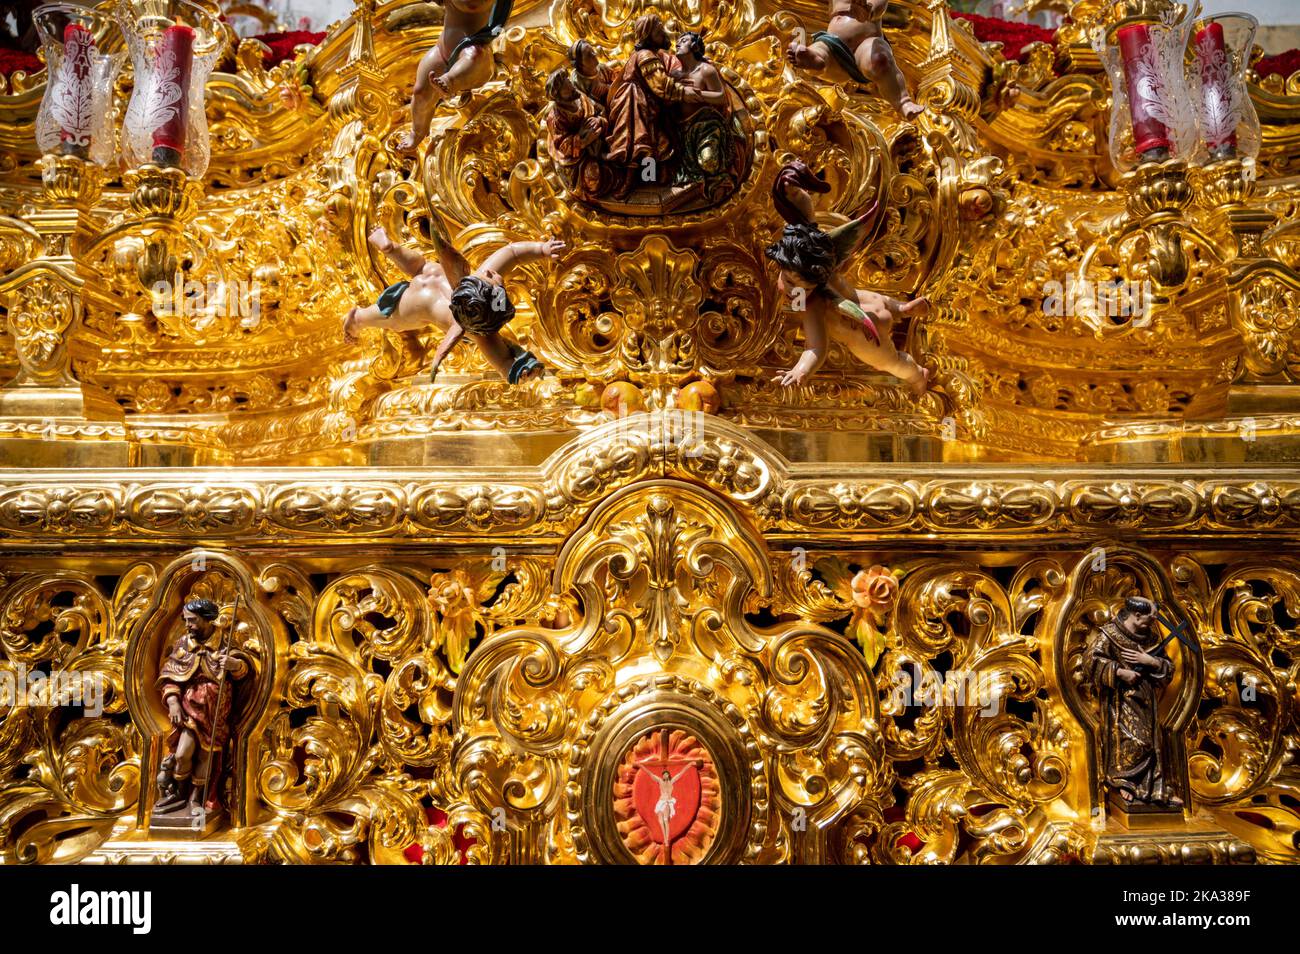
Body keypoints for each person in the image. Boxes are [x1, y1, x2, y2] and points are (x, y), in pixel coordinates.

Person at [342, 222, 565, 384]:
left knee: (403, 293)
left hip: (420, 292)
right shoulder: (481, 304)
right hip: (420, 299)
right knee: (395, 308)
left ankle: (357, 317)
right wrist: (541, 249)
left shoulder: (479, 288)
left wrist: (519, 373)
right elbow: (512, 253)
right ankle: (358, 317)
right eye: (496, 282)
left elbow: (503, 363)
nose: (494, 275)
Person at [766, 221, 930, 395]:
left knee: (893, 362)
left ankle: (918, 375)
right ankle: (903, 308)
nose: (795, 291)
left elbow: (816, 347)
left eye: (806, 288)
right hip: (875, 302)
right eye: (790, 282)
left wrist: (801, 370)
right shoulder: (824, 268)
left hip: (864, 334)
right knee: (881, 303)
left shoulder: (812, 303)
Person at [1084, 596, 1183, 809]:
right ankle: (1125, 782)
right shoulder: (1109, 635)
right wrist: (1120, 672)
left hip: (1147, 699)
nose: (1153, 623)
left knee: (1153, 743)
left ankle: (1157, 790)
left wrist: (1152, 662)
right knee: (1136, 740)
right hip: (1120, 701)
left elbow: (1168, 669)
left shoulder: (1151, 637)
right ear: (1136, 615)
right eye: (1150, 618)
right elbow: (1090, 662)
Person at [155, 598, 251, 816]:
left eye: (192, 621)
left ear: (208, 620)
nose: (188, 625)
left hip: (216, 709)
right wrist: (172, 702)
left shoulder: (225, 643)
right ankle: (179, 793)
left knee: (207, 757)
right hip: (190, 707)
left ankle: (196, 798)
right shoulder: (183, 644)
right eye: (186, 621)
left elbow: (245, 669)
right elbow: (170, 674)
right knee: (182, 754)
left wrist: (236, 666)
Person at [603, 15, 711, 198]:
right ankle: (639, 183)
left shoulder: (654, 55)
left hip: (647, 108)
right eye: (657, 28)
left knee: (652, 145)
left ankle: (650, 179)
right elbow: (660, 85)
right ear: (648, 34)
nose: (662, 31)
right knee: (639, 145)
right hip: (635, 107)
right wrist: (684, 93)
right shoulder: (646, 55)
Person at [398, 0, 513, 155]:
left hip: (473, 48)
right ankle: (417, 132)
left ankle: (449, 81)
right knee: (420, 92)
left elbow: (473, 5)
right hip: (442, 50)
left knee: (474, 58)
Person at [787, 0, 923, 120]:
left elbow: (879, 5)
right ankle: (813, 60)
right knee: (821, 49)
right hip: (834, 42)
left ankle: (903, 103)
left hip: (865, 43)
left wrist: (868, 10)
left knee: (880, 60)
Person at [544, 68, 614, 201]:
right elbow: (563, 145)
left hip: (600, 137)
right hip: (580, 155)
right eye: (566, 86)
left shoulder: (580, 97)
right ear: (558, 95)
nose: (571, 86)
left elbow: (599, 109)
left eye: (568, 81)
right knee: (592, 179)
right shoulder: (556, 118)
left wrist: (599, 120)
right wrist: (583, 140)